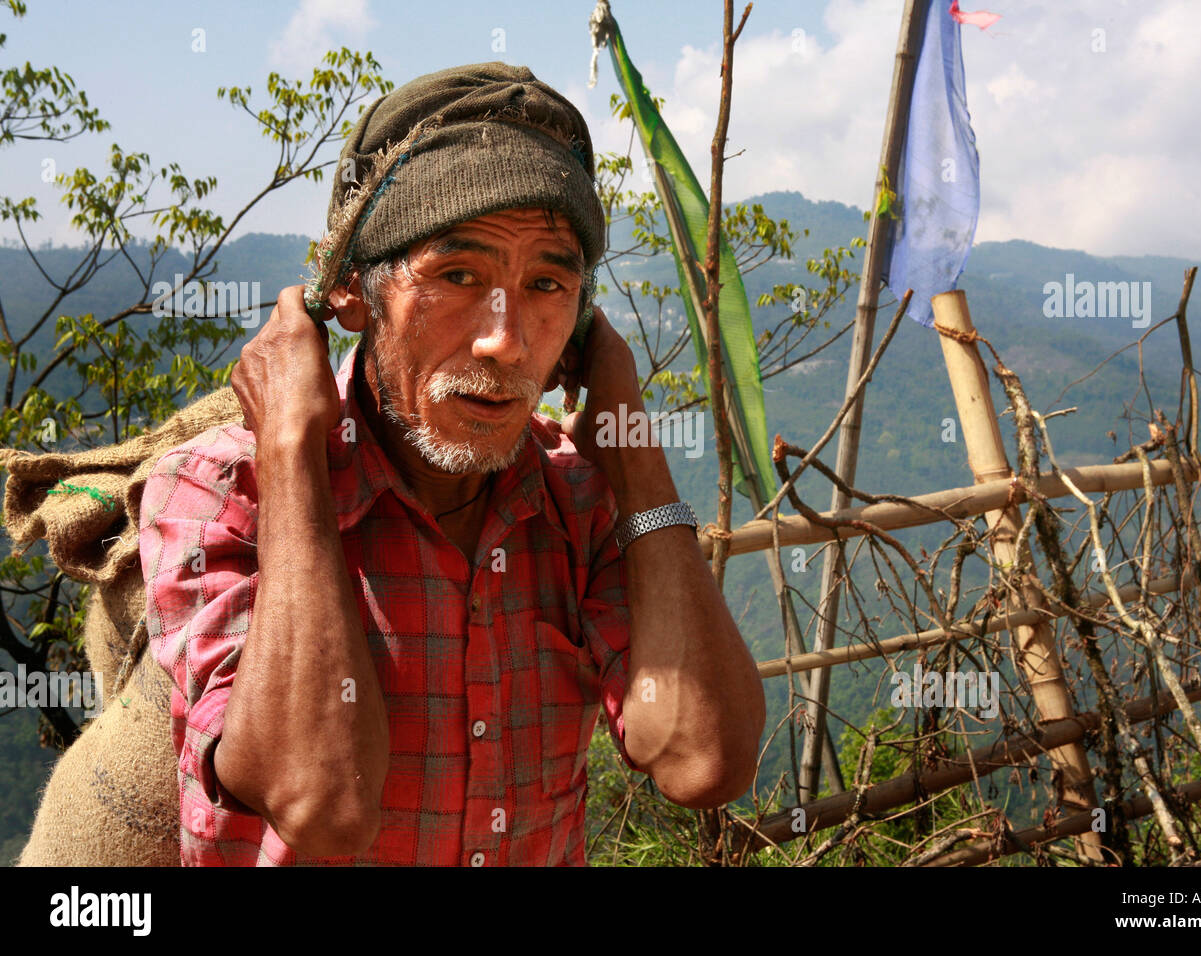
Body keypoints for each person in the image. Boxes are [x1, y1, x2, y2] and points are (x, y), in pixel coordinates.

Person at [138, 61, 765, 866]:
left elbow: (704, 759)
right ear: (353, 295)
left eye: (546, 285)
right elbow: (320, 802)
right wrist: (293, 453)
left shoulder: (578, 499)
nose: (506, 340)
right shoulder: (224, 489)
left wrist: (634, 455)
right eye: (459, 275)